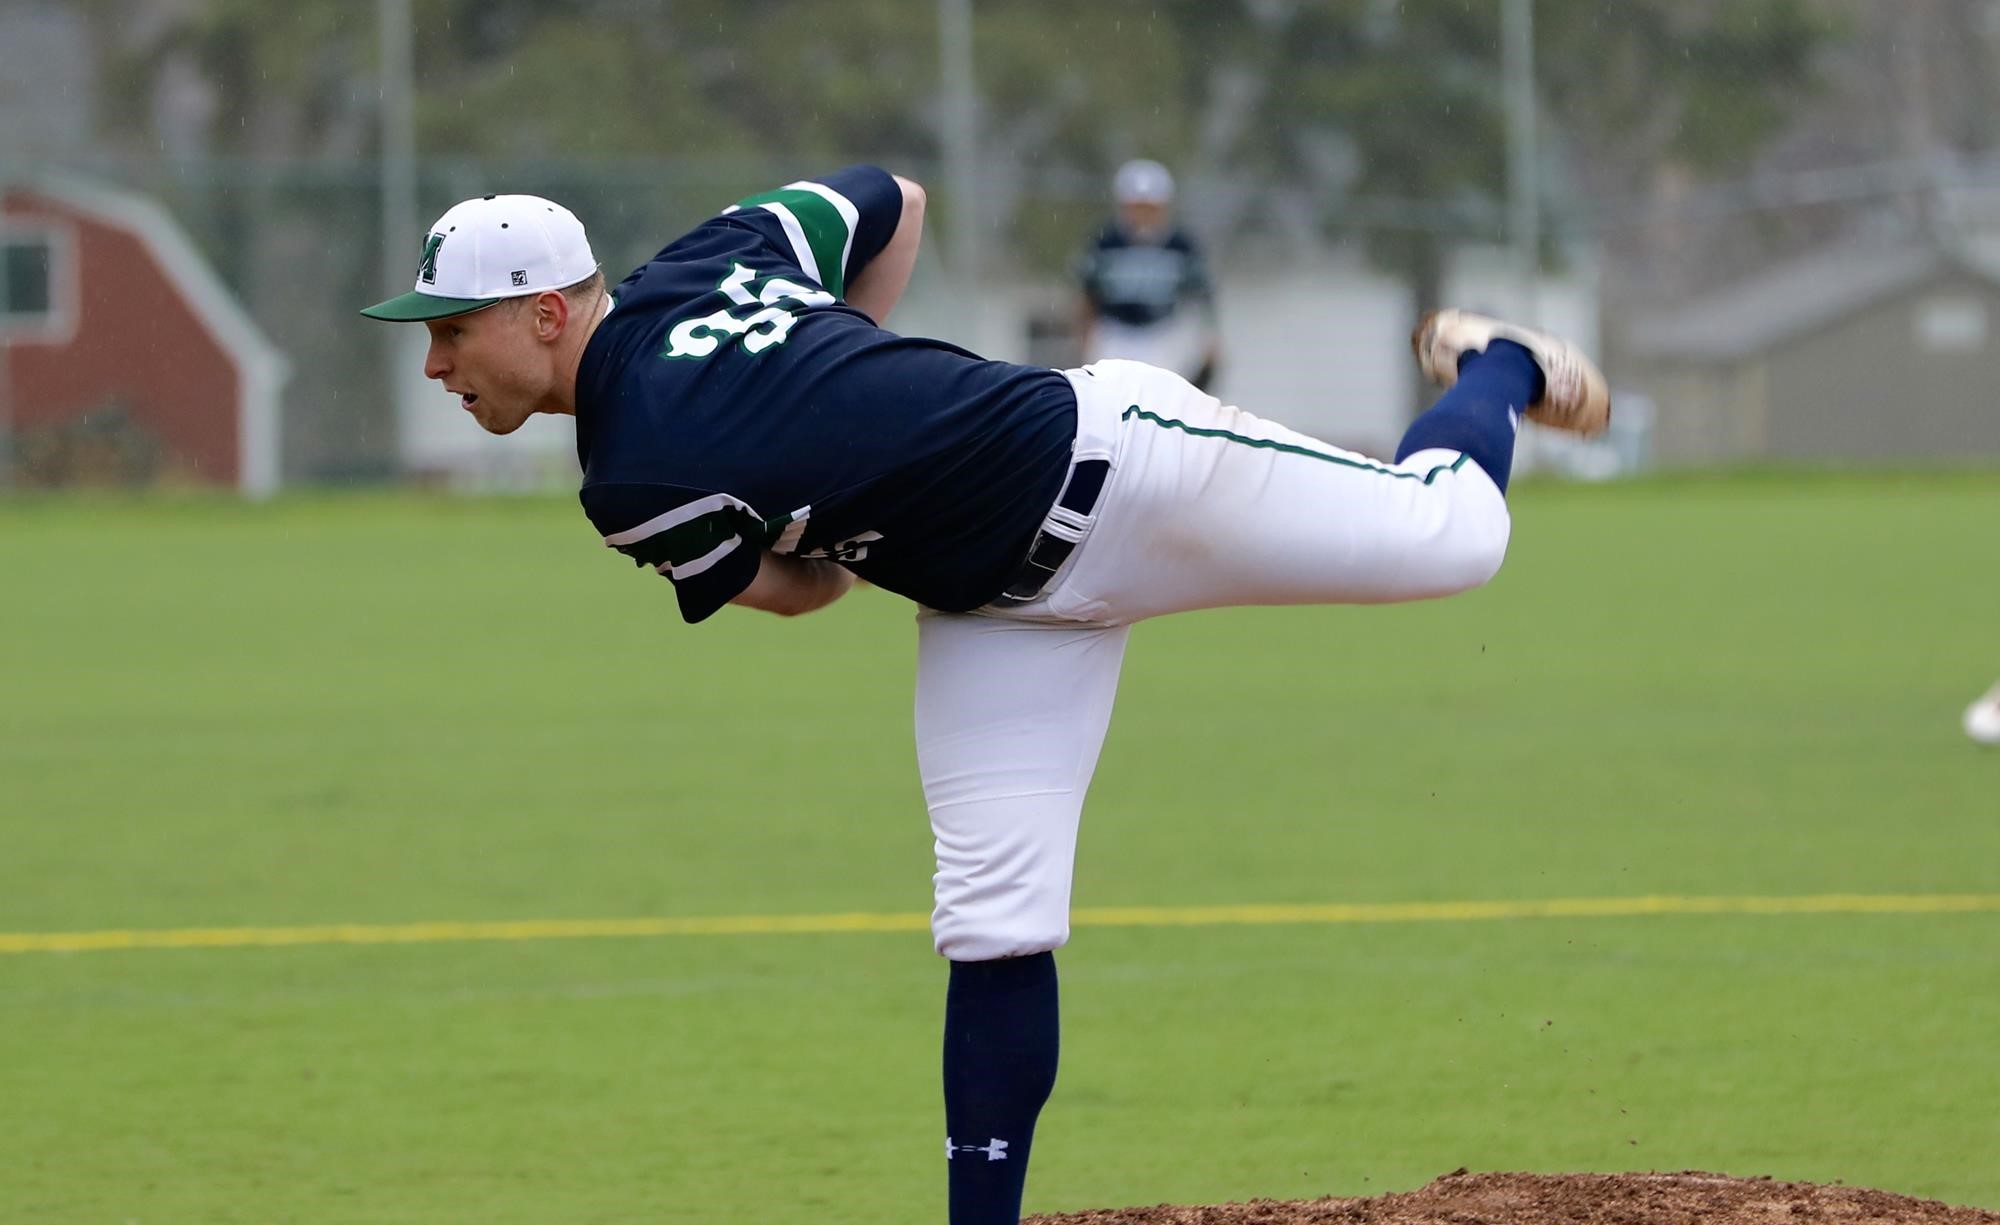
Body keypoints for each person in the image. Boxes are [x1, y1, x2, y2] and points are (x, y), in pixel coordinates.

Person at [361, 166, 1609, 1225]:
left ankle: (1492, 364)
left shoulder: (634, 476)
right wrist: (840, 378)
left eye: (450, 329)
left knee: (1453, 538)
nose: (432, 362)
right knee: (991, 919)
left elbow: (800, 593)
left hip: (1125, 471)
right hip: (992, 611)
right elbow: (890, 201)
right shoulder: (708, 263)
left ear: (540, 313)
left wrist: (844, 408)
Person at [1075, 158, 1221, 389]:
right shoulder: (1106, 242)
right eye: (1137, 206)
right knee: (1111, 393)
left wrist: (1209, 338)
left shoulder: (1180, 245)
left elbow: (1202, 294)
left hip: (1162, 332)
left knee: (1162, 394)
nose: (1143, 214)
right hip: (1115, 331)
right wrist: (1084, 337)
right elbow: (1088, 293)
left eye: (1150, 207)